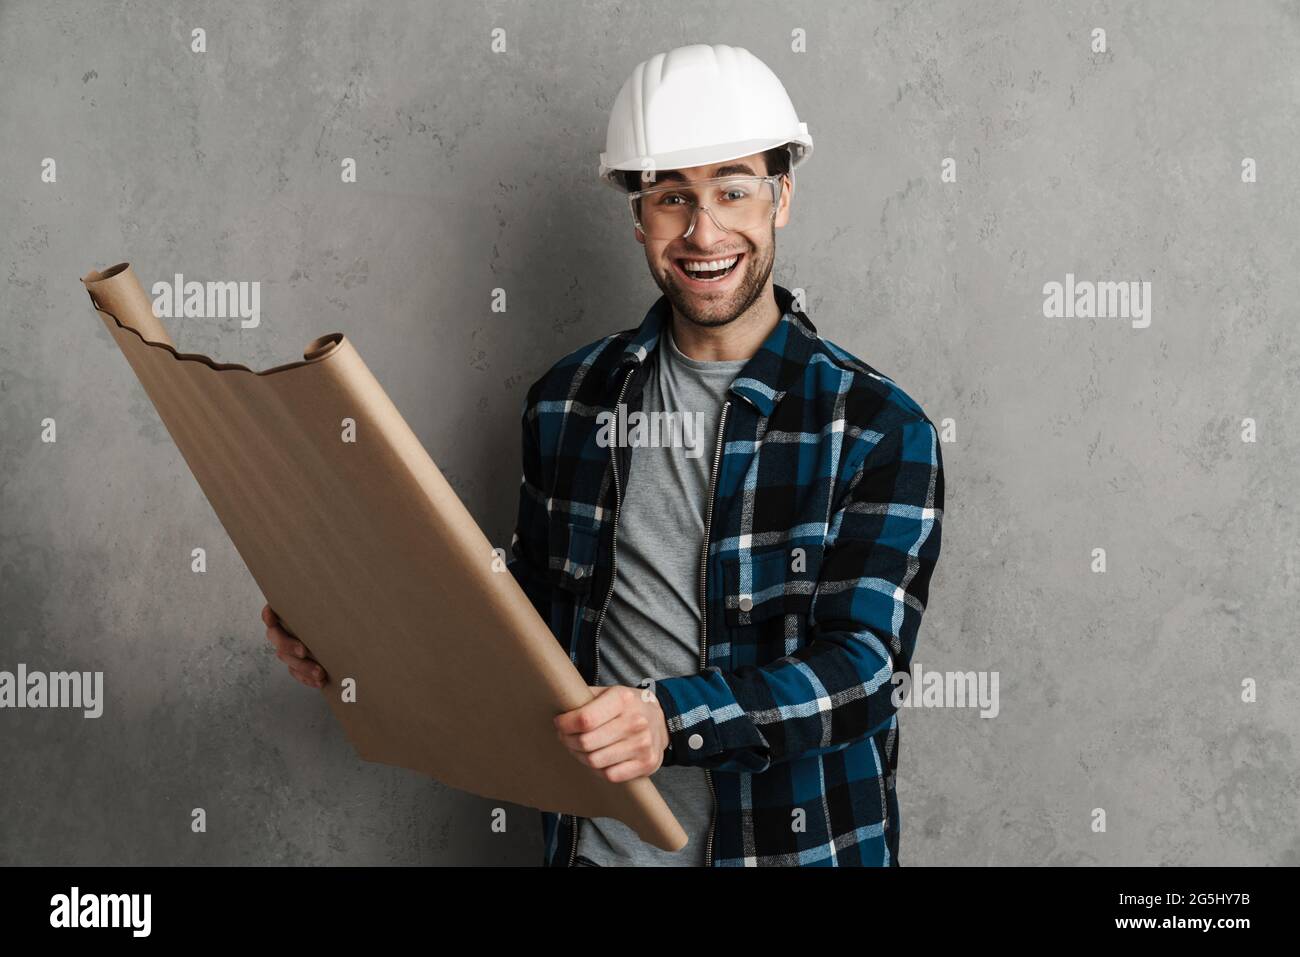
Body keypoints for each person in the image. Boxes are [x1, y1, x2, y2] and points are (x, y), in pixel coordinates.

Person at [264, 42, 944, 867]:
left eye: (733, 189)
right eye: (671, 198)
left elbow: (865, 672)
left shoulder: (877, 425)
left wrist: (671, 718)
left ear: (781, 198)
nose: (704, 231)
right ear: (637, 216)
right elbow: (527, 637)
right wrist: (355, 639)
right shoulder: (568, 403)